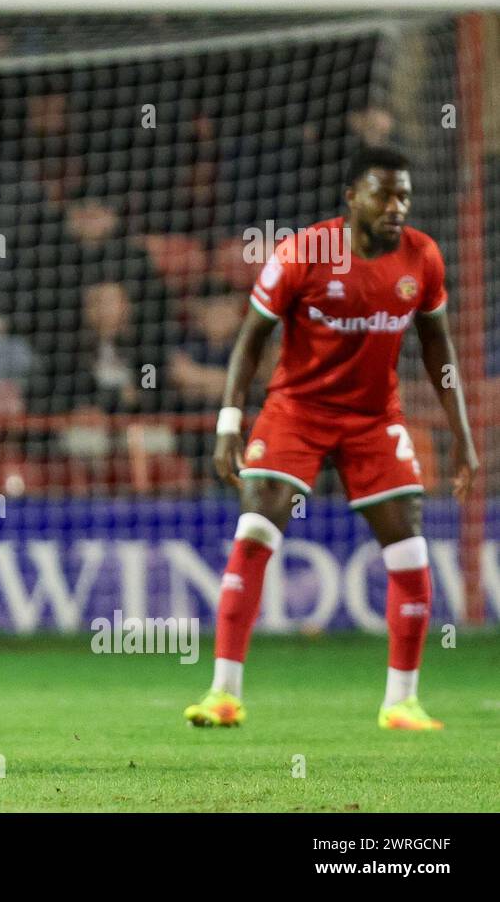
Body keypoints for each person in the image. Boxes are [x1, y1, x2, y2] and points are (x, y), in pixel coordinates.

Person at [184, 147, 479, 731]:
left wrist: (462, 435)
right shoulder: (303, 253)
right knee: (256, 526)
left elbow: (438, 351)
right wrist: (229, 420)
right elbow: (249, 341)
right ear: (352, 198)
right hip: (297, 410)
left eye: (404, 197)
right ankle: (223, 694)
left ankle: (402, 702)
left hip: (373, 418)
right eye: (383, 194)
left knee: (410, 550)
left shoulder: (422, 258)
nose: (396, 207)